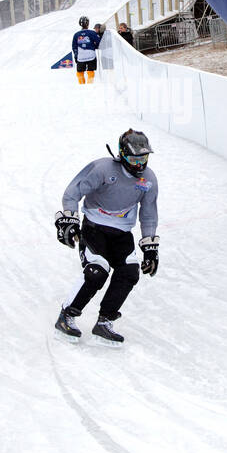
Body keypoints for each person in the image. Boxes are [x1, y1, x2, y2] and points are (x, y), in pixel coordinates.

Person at [53, 129, 160, 346]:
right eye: (133, 158)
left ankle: (105, 321)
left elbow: (148, 213)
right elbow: (73, 192)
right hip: (94, 228)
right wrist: (70, 218)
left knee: (130, 272)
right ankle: (67, 315)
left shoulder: (148, 181)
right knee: (97, 271)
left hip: (122, 233)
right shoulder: (102, 169)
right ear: (121, 154)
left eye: (144, 158)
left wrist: (150, 246)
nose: (139, 164)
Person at [71, 15, 100, 85]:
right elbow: (99, 42)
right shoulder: (92, 33)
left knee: (80, 72)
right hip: (91, 55)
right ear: (88, 23)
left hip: (81, 57)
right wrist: (94, 47)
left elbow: (74, 47)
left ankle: (82, 85)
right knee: (90, 70)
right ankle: (90, 84)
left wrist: (76, 56)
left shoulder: (76, 34)